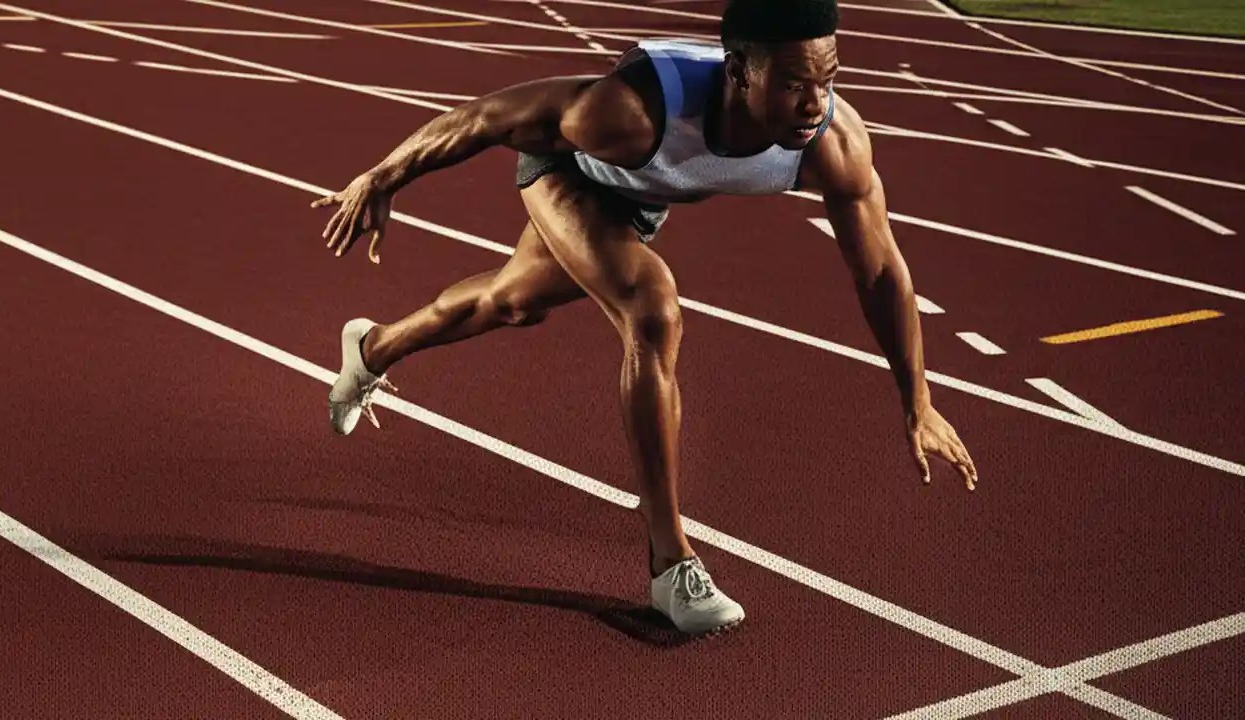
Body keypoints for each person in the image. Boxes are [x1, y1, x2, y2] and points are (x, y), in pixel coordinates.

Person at [311, 0, 979, 635]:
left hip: (640, 196)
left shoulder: (833, 141)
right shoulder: (627, 112)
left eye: (829, 78)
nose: (815, 102)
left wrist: (916, 399)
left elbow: (881, 270)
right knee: (652, 307)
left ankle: (371, 347)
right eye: (796, 83)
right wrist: (383, 176)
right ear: (740, 71)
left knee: (509, 302)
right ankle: (670, 564)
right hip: (570, 172)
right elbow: (488, 116)